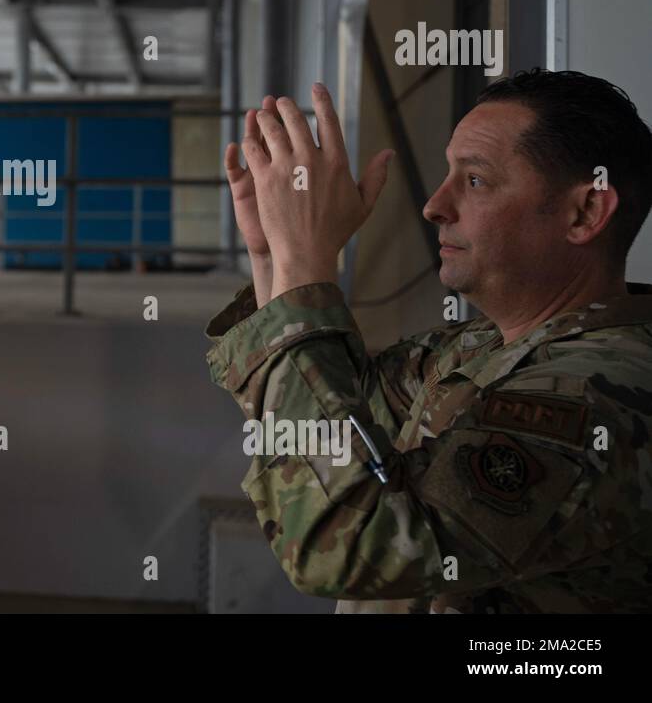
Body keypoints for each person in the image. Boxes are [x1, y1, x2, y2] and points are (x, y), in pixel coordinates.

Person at [204, 69, 652, 612]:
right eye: (448, 174)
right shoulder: (479, 348)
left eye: (476, 180)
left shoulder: (607, 392)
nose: (435, 205)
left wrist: (305, 263)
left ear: (584, 212)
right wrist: (272, 255)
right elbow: (325, 420)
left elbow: (349, 548)